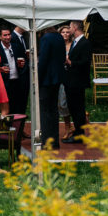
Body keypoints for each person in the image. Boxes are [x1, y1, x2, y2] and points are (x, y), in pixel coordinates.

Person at [36, 22, 66, 150]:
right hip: (57, 78)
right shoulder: (59, 37)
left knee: (45, 111)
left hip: (47, 79)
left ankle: (47, 142)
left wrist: (37, 79)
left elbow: (43, 61)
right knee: (53, 110)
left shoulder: (46, 38)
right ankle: (54, 142)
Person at [62, 20, 92, 142]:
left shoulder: (84, 43)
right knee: (73, 108)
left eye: (70, 27)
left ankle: (79, 135)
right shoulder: (76, 42)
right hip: (71, 81)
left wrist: (71, 62)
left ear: (75, 28)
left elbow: (85, 62)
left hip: (78, 82)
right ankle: (78, 131)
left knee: (78, 108)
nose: (69, 30)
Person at [0, 26, 28, 115]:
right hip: (5, 82)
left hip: (18, 81)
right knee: (7, 108)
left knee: (19, 107)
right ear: (0, 36)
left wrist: (22, 64)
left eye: (9, 34)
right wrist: (0, 69)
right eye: (5, 35)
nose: (8, 37)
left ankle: (18, 128)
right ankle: (8, 127)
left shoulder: (16, 46)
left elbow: (24, 60)